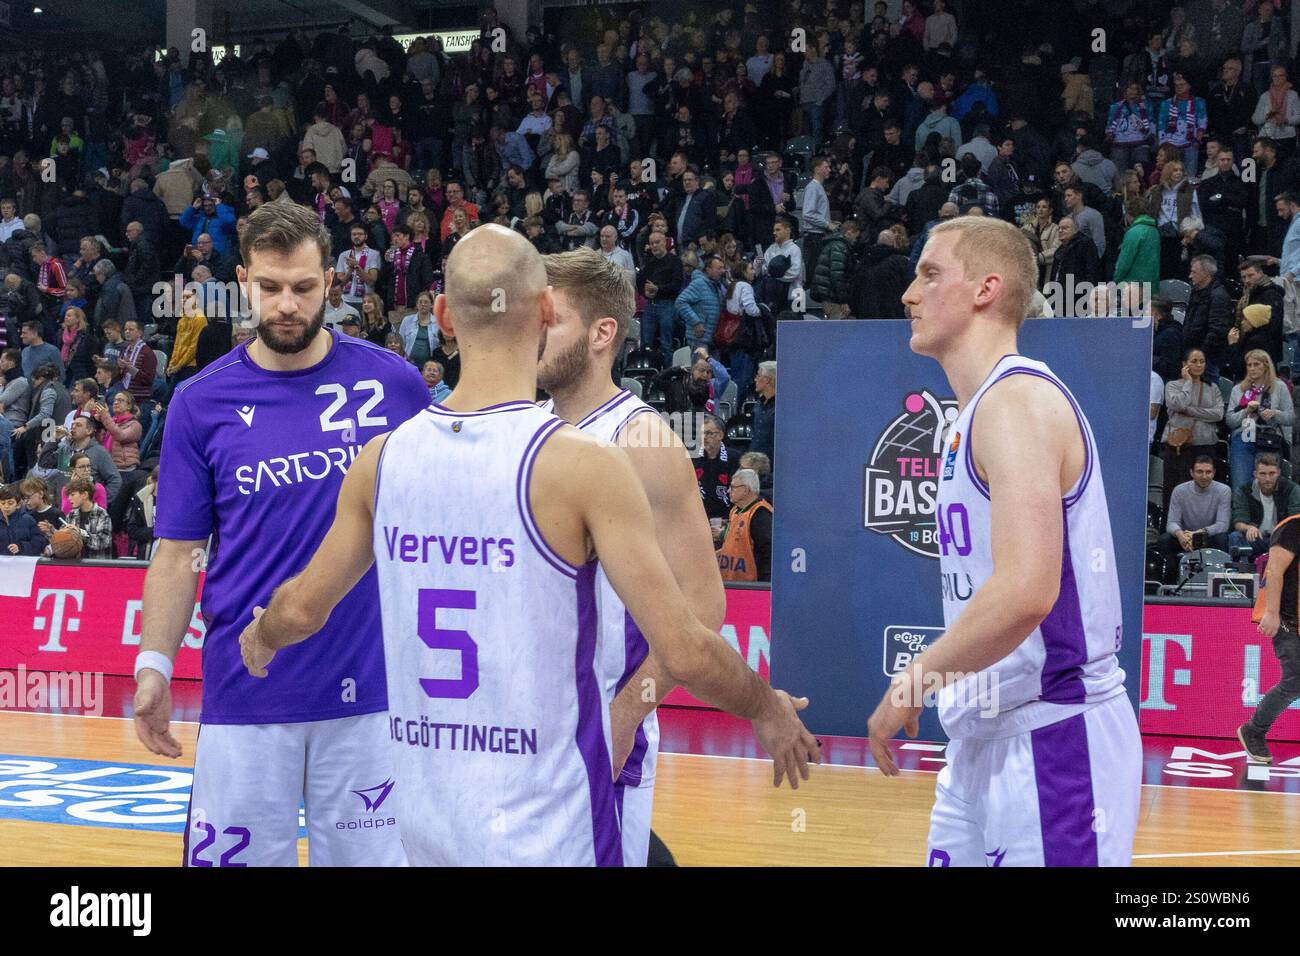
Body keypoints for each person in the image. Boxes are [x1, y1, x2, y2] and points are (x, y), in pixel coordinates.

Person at [237, 225, 820, 867]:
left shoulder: (385, 456)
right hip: (543, 803)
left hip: (435, 802)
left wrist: (262, 634)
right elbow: (689, 642)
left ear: (441, 318)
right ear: (541, 313)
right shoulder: (570, 462)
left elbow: (302, 610)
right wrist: (764, 706)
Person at [134, 201, 431, 868]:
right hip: (245, 694)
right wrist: (154, 665)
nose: (287, 305)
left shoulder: (393, 384)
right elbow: (180, 553)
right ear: (244, 281)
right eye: (270, 288)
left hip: (371, 701)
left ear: (330, 281)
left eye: (302, 287)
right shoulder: (198, 403)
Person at [868, 216, 1141, 867]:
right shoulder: (973, 414)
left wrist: (914, 681)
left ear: (987, 289)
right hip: (979, 741)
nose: (909, 293)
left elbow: (1026, 590)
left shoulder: (1018, 402)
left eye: (930, 274)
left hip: (1055, 736)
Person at [535, 246, 728, 866]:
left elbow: (704, 606)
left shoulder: (641, 438)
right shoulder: (524, 426)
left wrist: (623, 718)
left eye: (550, 318)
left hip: (599, 734)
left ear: (603, 332)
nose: (531, 329)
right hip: (518, 732)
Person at [1242, 504, 1300, 764]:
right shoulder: (1293, 527)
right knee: (1296, 679)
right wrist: (1272, 613)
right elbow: (1274, 571)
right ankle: (1253, 731)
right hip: (1288, 618)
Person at [1226, 349, 1293, 490]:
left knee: (1266, 488)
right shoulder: (1238, 389)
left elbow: (1290, 417)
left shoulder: (1279, 387)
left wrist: (1275, 414)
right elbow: (1230, 421)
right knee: (1241, 487)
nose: (1252, 368)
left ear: (1266, 366)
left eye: (1256, 364)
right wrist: (1246, 411)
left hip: (1269, 439)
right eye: (1249, 365)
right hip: (1244, 437)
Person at [1157, 455, 1232, 576]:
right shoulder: (1179, 490)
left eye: (1208, 472)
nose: (1204, 476)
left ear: (1214, 473)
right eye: (1199, 472)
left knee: (1222, 538)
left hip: (1208, 536)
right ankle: (1170, 582)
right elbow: (1171, 523)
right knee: (1165, 540)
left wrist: (1198, 534)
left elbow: (1223, 525)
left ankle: (1219, 579)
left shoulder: (1224, 490)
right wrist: (1180, 535)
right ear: (1191, 472)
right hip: (1185, 538)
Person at [1230, 453, 1299, 560]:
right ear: (1255, 474)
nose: (1267, 478)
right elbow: (1238, 522)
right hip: (1257, 539)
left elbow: (1295, 521)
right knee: (1236, 537)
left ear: (1279, 473)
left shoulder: (1291, 489)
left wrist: (1281, 533)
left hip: (1281, 540)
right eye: (1263, 474)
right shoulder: (1244, 490)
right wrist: (1249, 527)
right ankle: (1241, 573)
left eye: (1272, 473)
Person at [715, 468, 772, 583]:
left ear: (746, 490)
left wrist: (764, 586)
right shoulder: (735, 511)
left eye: (733, 487)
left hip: (749, 587)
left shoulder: (760, 514)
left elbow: (768, 554)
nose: (728, 491)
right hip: (730, 581)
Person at [62, 476, 113, 560]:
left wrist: (79, 532)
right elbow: (62, 540)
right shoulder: (71, 514)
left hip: (96, 567)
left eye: (72, 494)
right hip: (75, 565)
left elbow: (103, 542)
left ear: (85, 495)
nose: (69, 498)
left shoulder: (102, 514)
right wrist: (51, 531)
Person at [0, 483, 46, 555]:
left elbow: (39, 541)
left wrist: (20, 547)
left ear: (18, 505)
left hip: (23, 563)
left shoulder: (27, 520)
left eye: (10, 503)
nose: (6, 506)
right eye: (3, 503)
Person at [751, 361, 776, 467]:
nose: (755, 379)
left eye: (758, 375)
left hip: (773, 463)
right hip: (755, 462)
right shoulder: (758, 404)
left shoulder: (781, 407)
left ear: (766, 380)